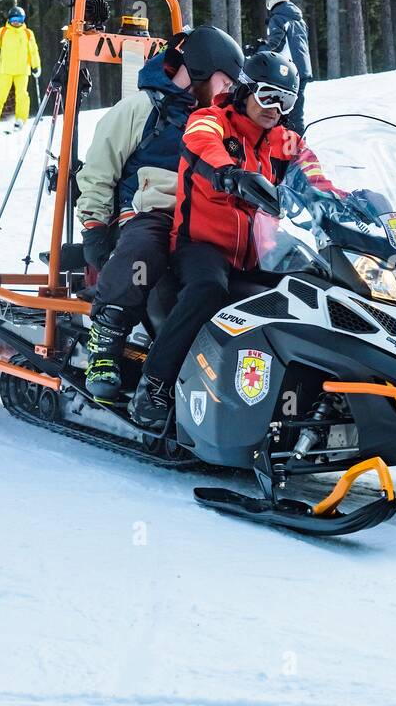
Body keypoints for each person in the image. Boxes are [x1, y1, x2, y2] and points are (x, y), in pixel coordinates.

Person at [128, 52, 306, 429]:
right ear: (245, 91)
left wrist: (352, 203)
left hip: (260, 252)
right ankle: (155, 383)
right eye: (269, 96)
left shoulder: (284, 141)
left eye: (286, 100)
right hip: (201, 245)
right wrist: (230, 174)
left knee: (311, 290)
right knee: (209, 287)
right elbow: (200, 145)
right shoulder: (210, 120)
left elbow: (314, 174)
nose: (276, 108)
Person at [77, 26, 244, 400]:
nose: (228, 91)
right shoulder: (141, 110)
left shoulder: (220, 121)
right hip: (147, 213)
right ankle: (105, 341)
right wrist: (93, 226)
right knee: (144, 250)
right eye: (224, 81)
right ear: (201, 69)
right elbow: (98, 171)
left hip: (199, 221)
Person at [256, 0, 313, 134]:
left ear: (275, 0)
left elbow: (275, 44)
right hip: (303, 70)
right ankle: (298, 147)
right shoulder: (299, 20)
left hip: (287, 73)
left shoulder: (278, 18)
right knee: (296, 111)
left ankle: (289, 149)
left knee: (282, 110)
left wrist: (258, 51)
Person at [0, 6, 41, 134]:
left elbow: (33, 51)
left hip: (22, 70)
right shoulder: (3, 32)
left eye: (19, 19)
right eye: (13, 19)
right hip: (5, 70)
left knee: (22, 96)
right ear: (9, 19)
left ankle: (20, 120)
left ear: (23, 20)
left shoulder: (28, 33)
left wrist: (36, 66)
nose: (16, 22)